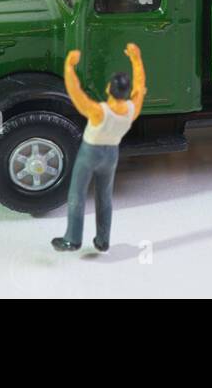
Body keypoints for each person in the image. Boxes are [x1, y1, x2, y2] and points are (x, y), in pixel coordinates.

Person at [52, 43, 147, 254]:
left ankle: (72, 239)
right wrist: (136, 59)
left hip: (90, 152)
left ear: (108, 89)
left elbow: (77, 95)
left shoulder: (99, 112)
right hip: (111, 154)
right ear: (126, 91)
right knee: (104, 197)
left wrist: (69, 67)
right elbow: (140, 87)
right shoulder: (133, 109)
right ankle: (103, 239)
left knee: (77, 193)